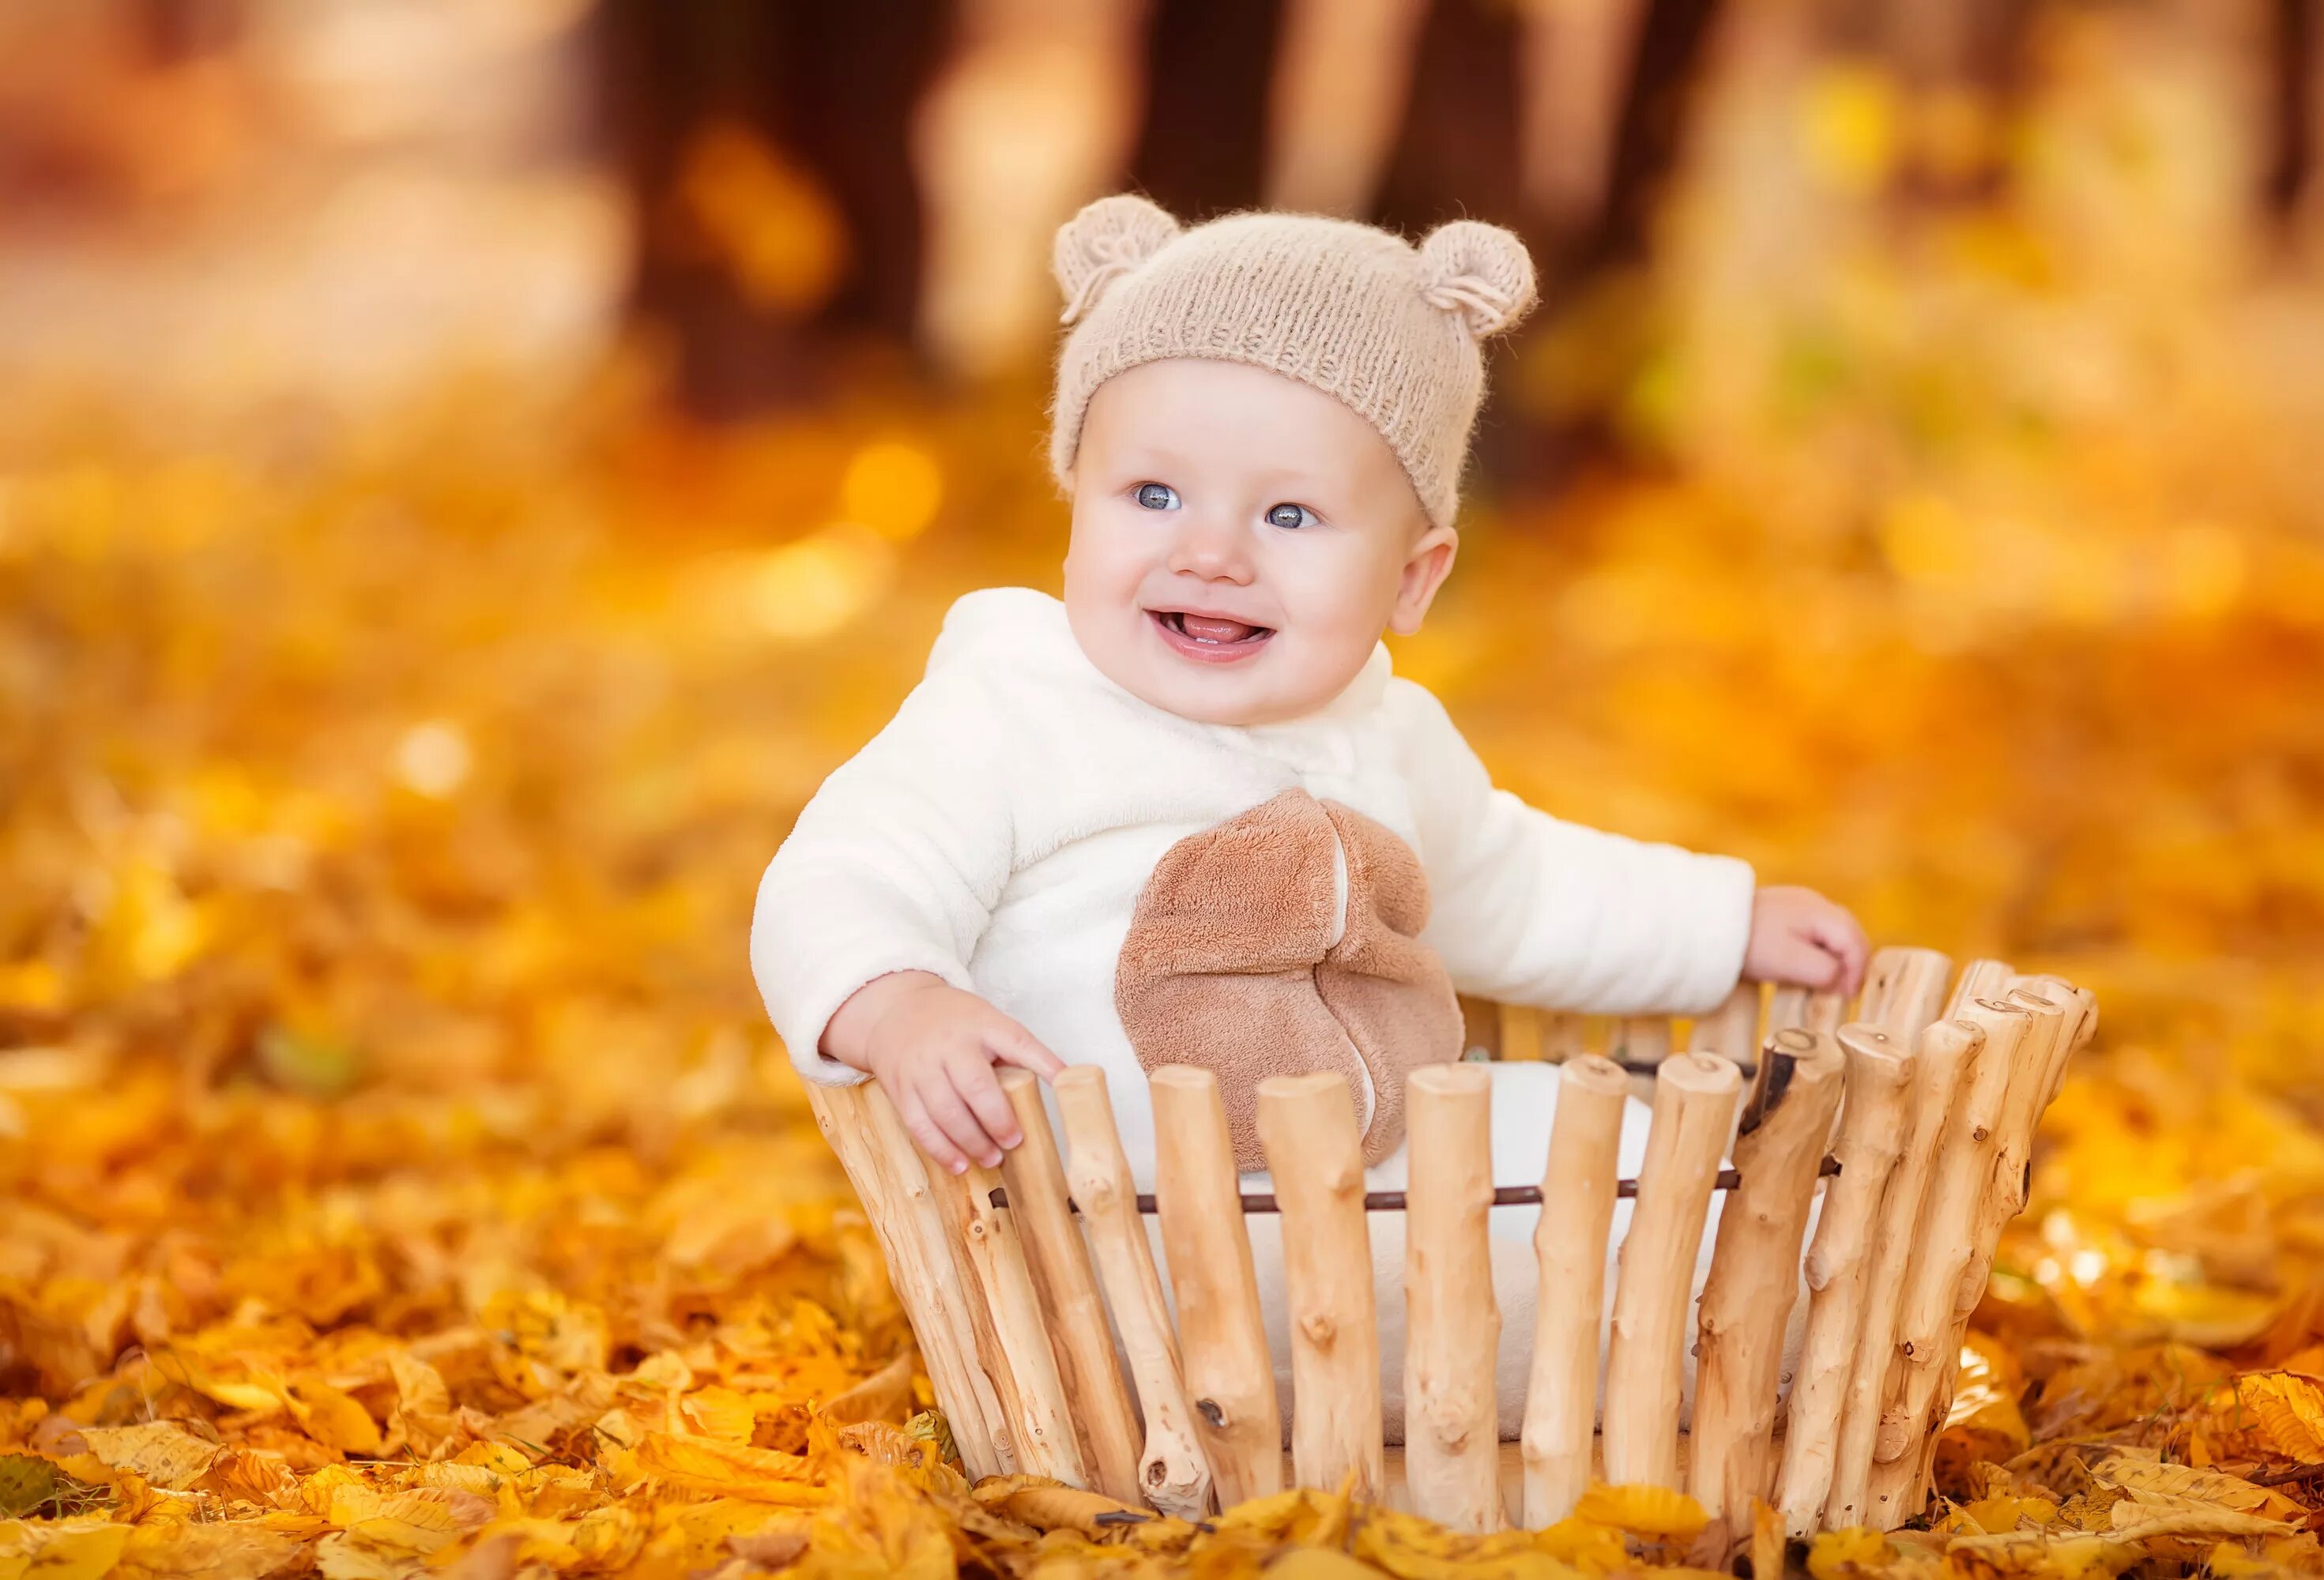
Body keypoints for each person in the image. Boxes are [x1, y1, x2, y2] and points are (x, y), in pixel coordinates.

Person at [751, 194, 1868, 1438]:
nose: (1214, 553)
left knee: (1607, 1145)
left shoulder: (1387, 741)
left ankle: (1718, 1356)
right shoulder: (1010, 713)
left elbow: (1520, 886)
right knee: (1550, 1190)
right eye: (1153, 495)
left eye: (1288, 516)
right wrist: (901, 1004)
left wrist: (1722, 919)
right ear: (1072, 501)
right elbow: (842, 874)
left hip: (1395, 1211)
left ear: (1411, 576)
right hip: (1119, 1264)